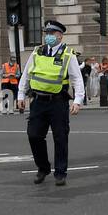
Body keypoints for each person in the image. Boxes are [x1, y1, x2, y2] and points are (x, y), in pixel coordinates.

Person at [16, 20, 83, 186]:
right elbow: (26, 75)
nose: (48, 37)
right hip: (38, 101)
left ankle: (60, 173)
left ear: (60, 35)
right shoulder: (37, 52)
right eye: (47, 33)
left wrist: (78, 100)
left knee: (60, 138)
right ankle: (43, 168)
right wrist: (20, 95)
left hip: (58, 103)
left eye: (52, 34)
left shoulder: (68, 54)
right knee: (34, 135)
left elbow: (77, 79)